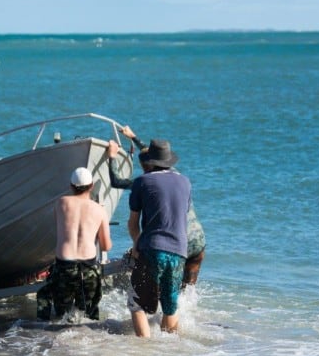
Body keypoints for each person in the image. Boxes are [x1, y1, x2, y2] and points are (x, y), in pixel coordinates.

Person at [108, 125, 205, 289]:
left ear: (147, 166)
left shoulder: (145, 183)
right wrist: (133, 137)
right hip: (198, 240)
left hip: (176, 242)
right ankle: (187, 314)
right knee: (187, 289)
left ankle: (156, 311)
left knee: (160, 288)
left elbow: (116, 181)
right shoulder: (177, 176)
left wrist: (112, 157)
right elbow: (155, 153)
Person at [125, 138, 192, 337]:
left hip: (152, 248)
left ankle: (145, 350)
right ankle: (167, 352)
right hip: (179, 250)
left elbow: (133, 222)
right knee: (170, 305)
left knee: (136, 304)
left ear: (150, 162)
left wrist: (136, 244)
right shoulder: (185, 182)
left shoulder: (142, 182)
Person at [37, 167, 113, 321]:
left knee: (57, 312)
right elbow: (106, 246)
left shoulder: (61, 203)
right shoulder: (99, 210)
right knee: (88, 315)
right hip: (89, 269)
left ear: (71, 186)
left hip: (65, 268)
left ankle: (46, 335)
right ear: (92, 186)